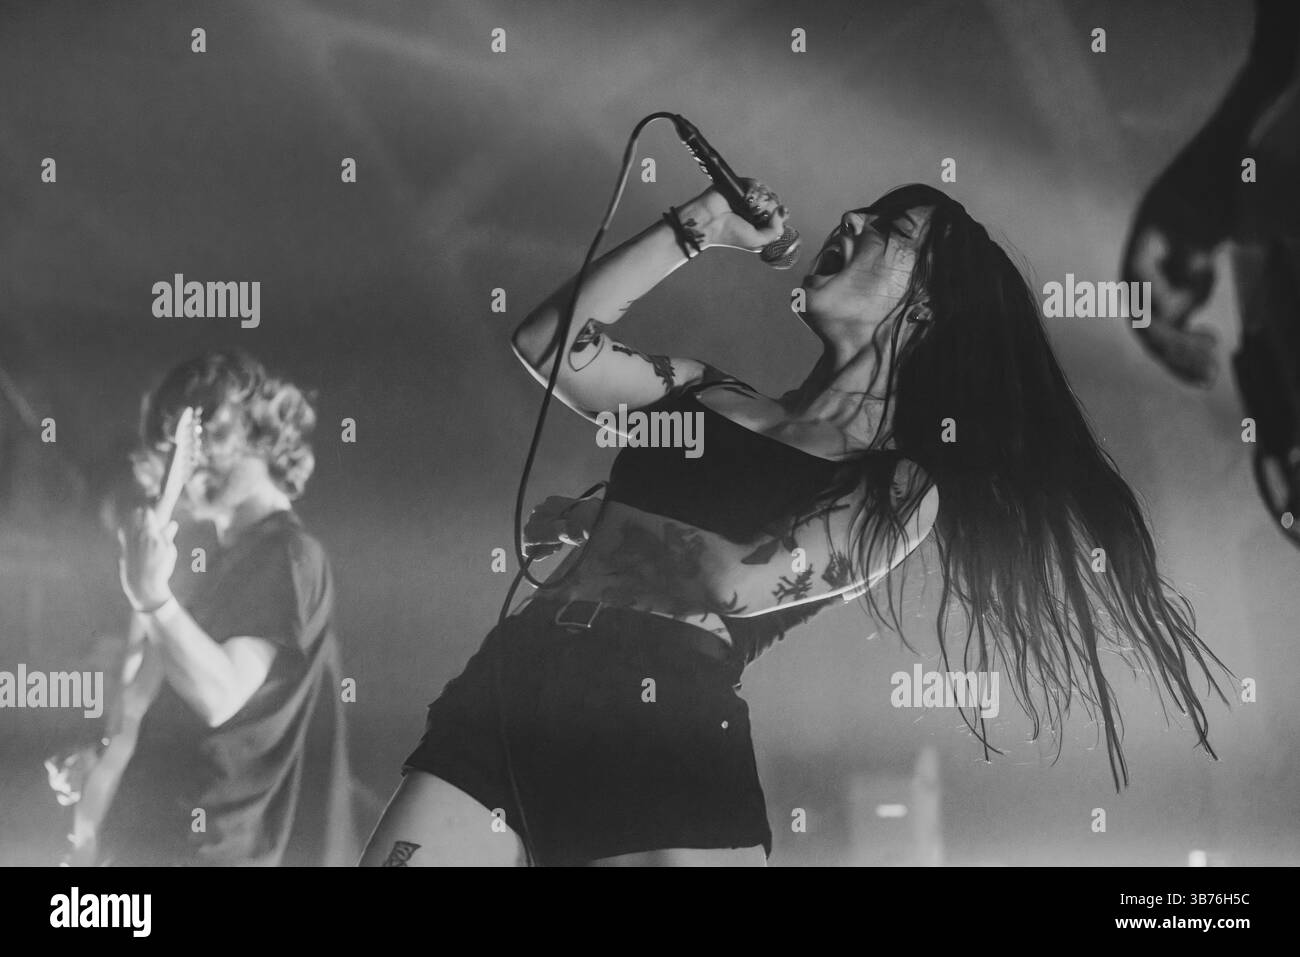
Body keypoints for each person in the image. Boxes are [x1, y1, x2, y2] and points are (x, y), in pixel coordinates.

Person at [363, 180, 1229, 866]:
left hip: (657, 723)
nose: (851, 216)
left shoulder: (896, 485)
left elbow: (735, 583)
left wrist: (603, 520)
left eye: (891, 228)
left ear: (925, 305)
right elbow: (554, 343)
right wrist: (697, 225)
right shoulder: (702, 391)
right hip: (520, 678)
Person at [94, 351, 357, 866]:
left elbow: (222, 694)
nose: (190, 455)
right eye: (178, 441)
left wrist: (152, 597)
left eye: (211, 430)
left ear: (264, 433)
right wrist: (105, 766)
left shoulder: (288, 554)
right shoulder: (215, 563)